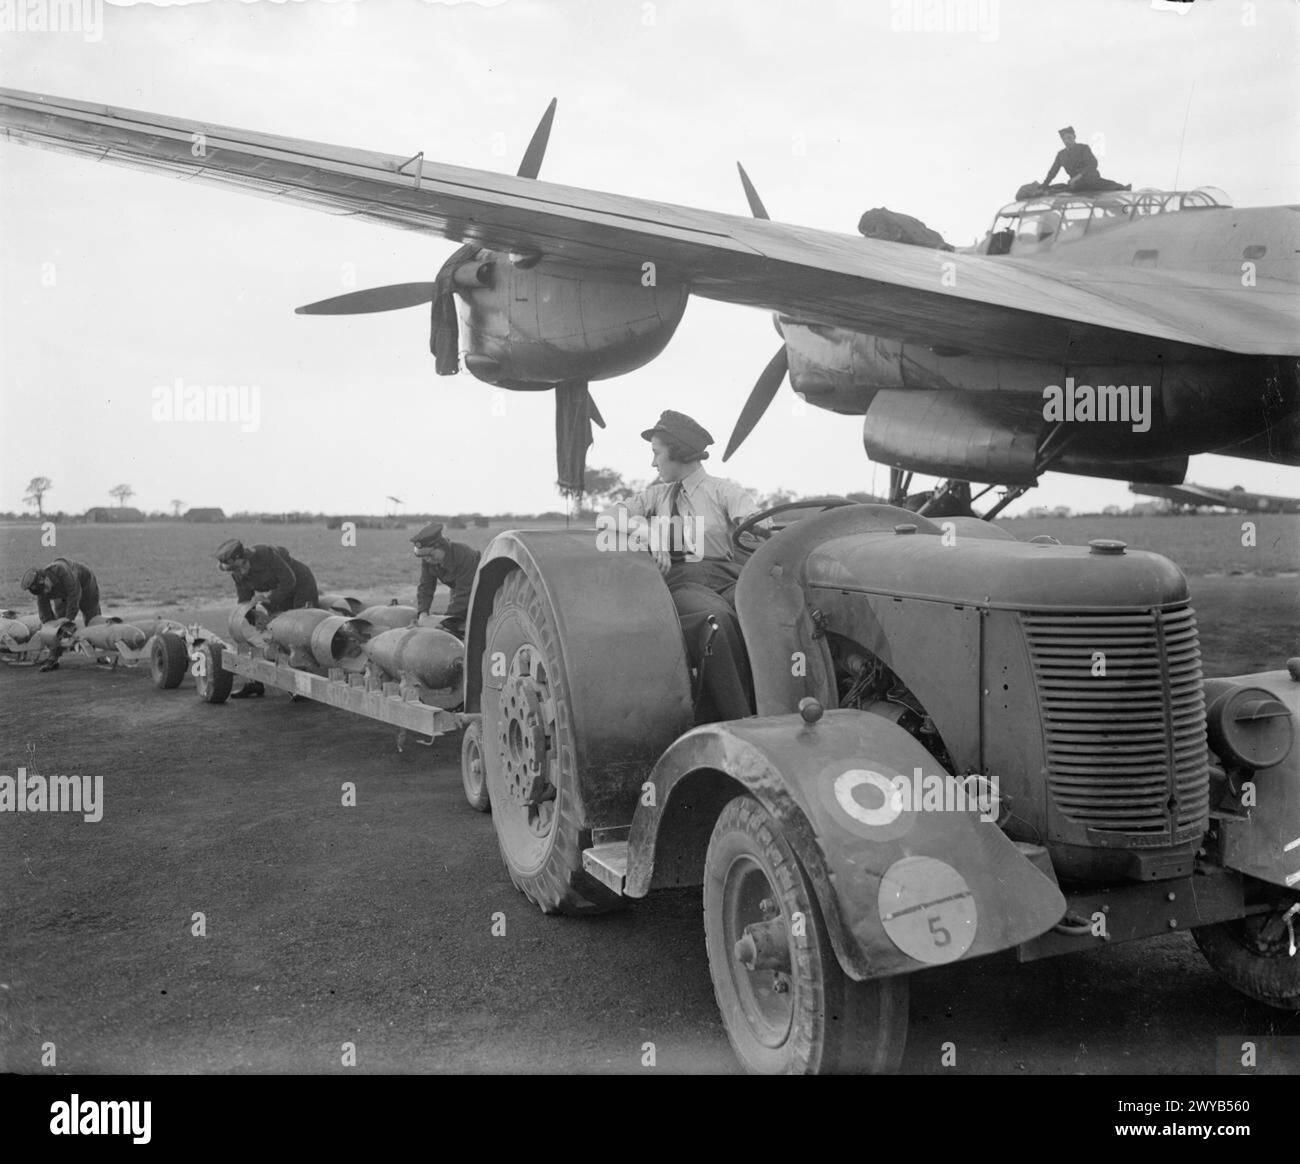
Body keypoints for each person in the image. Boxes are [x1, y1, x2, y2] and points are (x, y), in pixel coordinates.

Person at [608, 410, 759, 722]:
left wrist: (754, 523)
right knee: (715, 618)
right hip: (683, 580)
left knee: (764, 611)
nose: (653, 463)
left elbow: (755, 522)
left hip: (729, 577)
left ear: (676, 451)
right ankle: (738, 720)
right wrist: (645, 530)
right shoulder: (656, 495)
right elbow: (607, 517)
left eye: (656, 453)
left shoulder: (725, 490)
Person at [215, 539, 320, 697]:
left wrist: (269, 599)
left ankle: (300, 683)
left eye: (241, 567)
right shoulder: (237, 575)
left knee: (299, 630)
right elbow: (244, 600)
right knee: (270, 632)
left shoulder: (265, 554)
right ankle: (256, 683)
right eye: (235, 571)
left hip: (301, 585)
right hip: (278, 593)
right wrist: (253, 616)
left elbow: (289, 581)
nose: (241, 573)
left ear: (245, 558)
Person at [20, 558, 102, 672]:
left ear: (45, 579)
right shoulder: (41, 589)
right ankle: (54, 657)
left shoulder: (61, 570)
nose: (46, 593)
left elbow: (74, 594)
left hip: (85, 583)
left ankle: (101, 651)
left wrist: (68, 619)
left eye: (46, 589)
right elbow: (45, 613)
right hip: (63, 592)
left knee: (92, 616)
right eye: (42, 592)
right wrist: (50, 628)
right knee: (59, 623)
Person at [411, 522, 480, 640]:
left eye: (431, 555)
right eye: (424, 557)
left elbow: (465, 594)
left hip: (480, 589)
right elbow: (425, 587)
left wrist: (445, 621)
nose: (427, 559)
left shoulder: (465, 556)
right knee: (453, 624)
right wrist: (423, 612)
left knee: (475, 625)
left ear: (442, 546)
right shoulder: (429, 560)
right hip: (459, 589)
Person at [1042, 126, 1130, 194]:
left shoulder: (1083, 148)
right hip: (1076, 183)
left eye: (1069, 138)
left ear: (1074, 137)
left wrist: (1077, 177)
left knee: (1095, 183)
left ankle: (1122, 188)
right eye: (1064, 139)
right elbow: (1053, 171)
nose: (1067, 141)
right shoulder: (1061, 154)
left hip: (1090, 178)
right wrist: (1044, 185)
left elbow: (1093, 164)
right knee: (1060, 188)